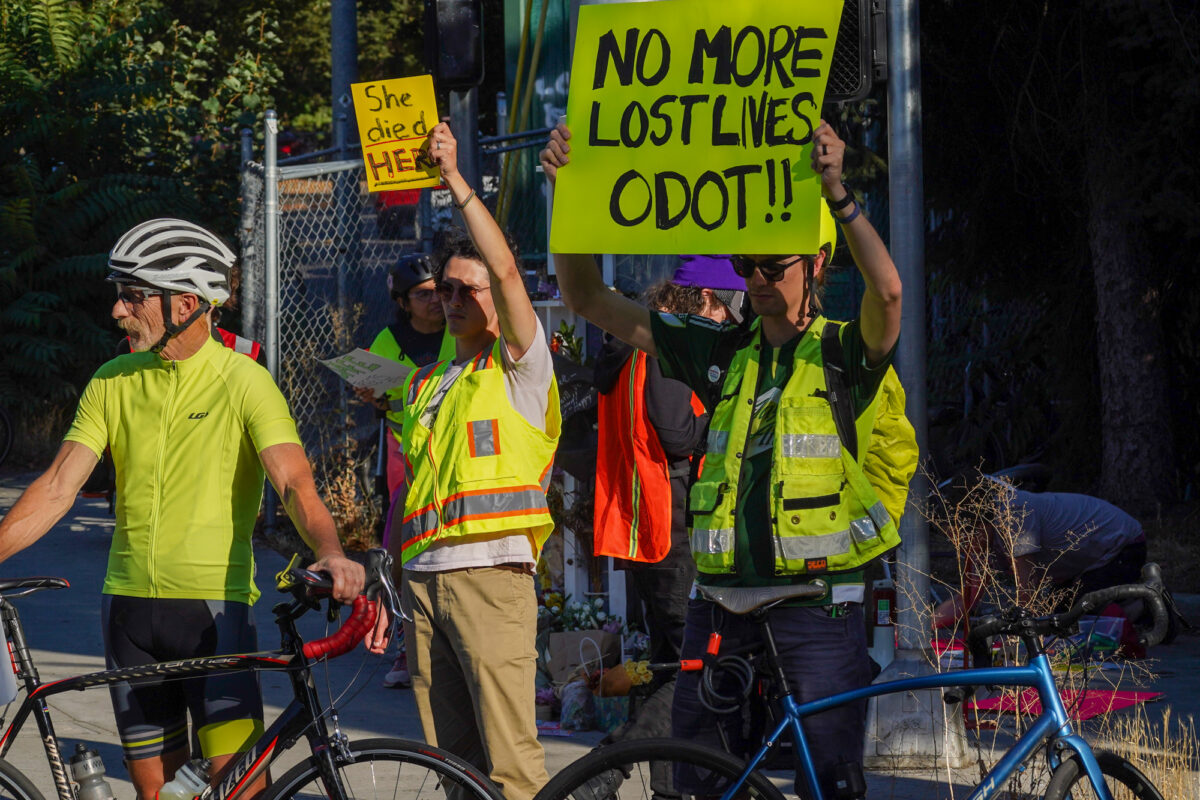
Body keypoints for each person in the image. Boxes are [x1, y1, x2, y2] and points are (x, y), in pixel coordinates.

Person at [541, 119, 902, 800]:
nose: (757, 280)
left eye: (774, 266)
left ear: (817, 264)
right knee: (694, 777)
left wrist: (838, 193)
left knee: (829, 782)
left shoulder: (842, 351)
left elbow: (888, 296)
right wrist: (569, 198)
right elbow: (588, 299)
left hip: (818, 605)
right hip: (719, 602)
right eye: (745, 266)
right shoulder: (719, 349)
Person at [0, 218, 364, 800]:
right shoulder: (112, 380)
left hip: (213, 617)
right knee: (159, 794)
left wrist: (331, 552)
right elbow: (57, 488)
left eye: (134, 296)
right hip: (128, 614)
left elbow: (294, 481)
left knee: (237, 789)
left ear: (186, 303)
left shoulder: (245, 381)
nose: (119, 311)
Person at [368, 121, 559, 800]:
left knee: (511, 767)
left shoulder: (521, 367)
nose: (451, 301)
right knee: (454, 769)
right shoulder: (428, 383)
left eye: (464, 291)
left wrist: (453, 179)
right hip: (424, 582)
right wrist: (386, 578)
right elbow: (412, 492)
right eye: (443, 290)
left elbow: (504, 269)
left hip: (490, 579)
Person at [591, 255, 742, 739]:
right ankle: (604, 772)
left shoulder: (634, 338)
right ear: (703, 297)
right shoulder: (670, 341)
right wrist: (724, 414)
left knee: (664, 662)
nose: (724, 322)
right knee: (689, 667)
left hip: (642, 521)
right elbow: (678, 433)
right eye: (724, 310)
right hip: (671, 521)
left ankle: (668, 789)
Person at [356, 253, 455, 689]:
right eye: (424, 294)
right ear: (403, 301)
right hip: (405, 450)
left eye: (440, 290)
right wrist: (370, 395)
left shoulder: (460, 330)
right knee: (405, 543)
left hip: (452, 451)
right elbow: (376, 392)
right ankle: (403, 643)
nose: (436, 300)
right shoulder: (388, 340)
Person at [932, 478, 1148, 627]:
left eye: (966, 537)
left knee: (1075, 619)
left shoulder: (1014, 515)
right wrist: (921, 629)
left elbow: (1028, 593)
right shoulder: (983, 534)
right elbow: (966, 600)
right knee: (1059, 614)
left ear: (983, 523)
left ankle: (1144, 605)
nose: (963, 547)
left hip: (1123, 547)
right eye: (955, 540)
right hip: (1082, 560)